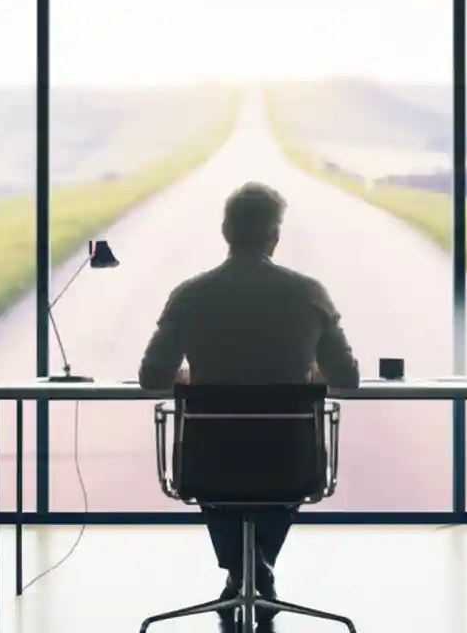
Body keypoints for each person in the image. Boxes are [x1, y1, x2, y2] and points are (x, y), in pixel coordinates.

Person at [138, 181, 360, 622]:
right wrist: (309, 376)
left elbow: (151, 378)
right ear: (275, 235)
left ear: (226, 231)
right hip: (291, 462)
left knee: (221, 477)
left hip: (207, 462)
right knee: (279, 476)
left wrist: (189, 378)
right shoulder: (308, 293)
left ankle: (244, 570)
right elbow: (347, 379)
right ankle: (255, 567)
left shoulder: (190, 294)